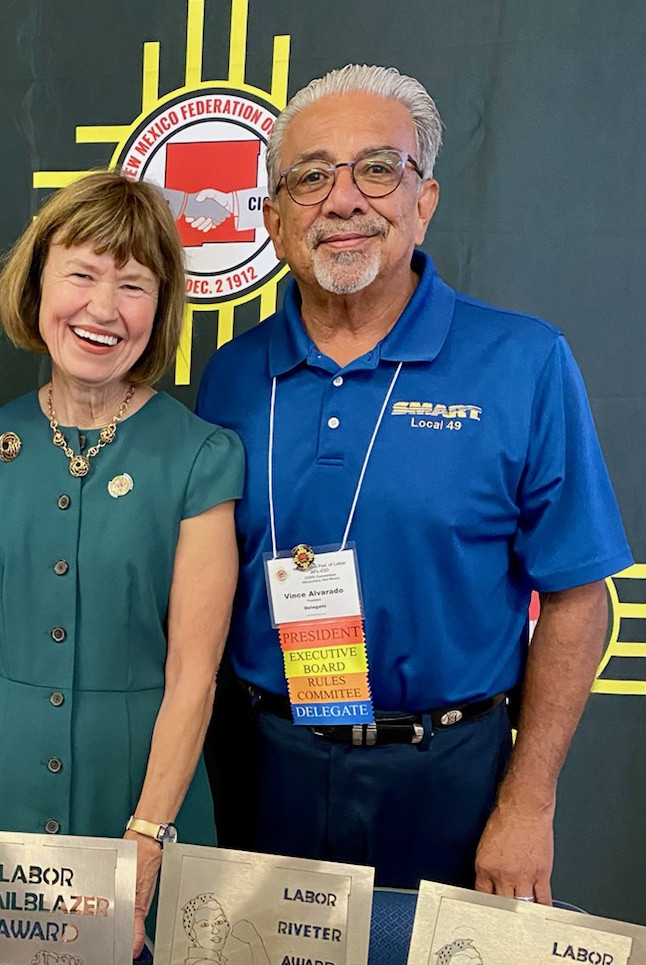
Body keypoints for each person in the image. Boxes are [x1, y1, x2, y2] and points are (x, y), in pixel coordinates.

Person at [197, 65, 630, 901]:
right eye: (311, 176)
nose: (345, 200)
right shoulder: (232, 378)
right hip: (258, 774)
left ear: (423, 200)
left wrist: (529, 803)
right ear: (275, 221)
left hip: (452, 783)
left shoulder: (523, 362)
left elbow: (579, 597)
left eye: (377, 169)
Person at [0, 172, 244, 951]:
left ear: (162, 305)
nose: (103, 308)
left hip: (147, 787)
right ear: (38, 283)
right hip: (0, 780)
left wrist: (148, 835)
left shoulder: (201, 457)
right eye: (81, 274)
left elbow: (194, 676)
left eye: (133, 284)